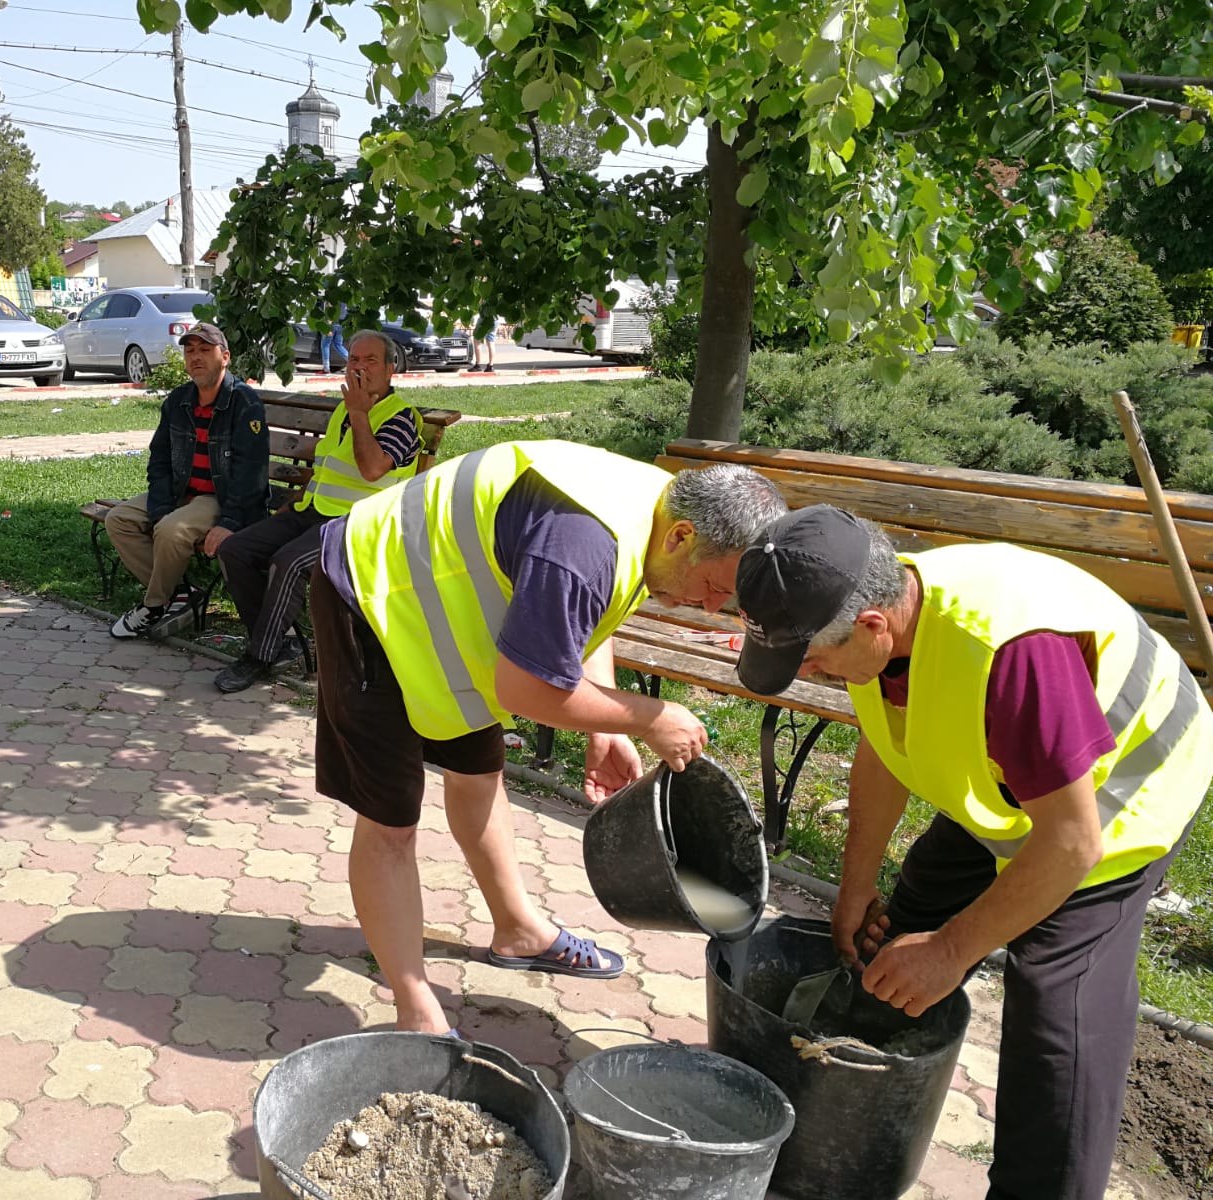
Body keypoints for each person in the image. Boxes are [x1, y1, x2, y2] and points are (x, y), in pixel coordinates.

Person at [731, 506, 1213, 1200]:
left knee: (1057, 1004)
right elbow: (884, 750)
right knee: (918, 900)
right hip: (1017, 775)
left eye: (813, 659)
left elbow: (1072, 841)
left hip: (1122, 793)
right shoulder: (883, 620)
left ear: (871, 626)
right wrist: (856, 884)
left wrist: (952, 952)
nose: (812, 673)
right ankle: (853, 1069)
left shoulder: (1012, 655)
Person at [312, 447, 788, 1033]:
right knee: (389, 822)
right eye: (715, 586)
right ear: (683, 537)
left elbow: (595, 610)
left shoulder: (655, 516)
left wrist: (602, 722)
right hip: (371, 592)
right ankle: (416, 1010)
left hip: (446, 607)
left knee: (479, 775)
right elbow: (524, 689)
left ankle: (517, 931)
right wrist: (649, 717)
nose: (714, 606)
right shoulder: (584, 542)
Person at [213, 330, 421, 693]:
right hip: (314, 510)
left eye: (369, 361)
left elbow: (373, 469)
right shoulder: (344, 409)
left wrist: (360, 414)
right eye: (354, 359)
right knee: (235, 549)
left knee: (289, 562)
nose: (359, 367)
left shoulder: (401, 418)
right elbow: (329, 470)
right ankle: (276, 643)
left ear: (390, 369)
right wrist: (297, 502)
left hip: (359, 524)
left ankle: (259, 657)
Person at [106, 322, 269, 639]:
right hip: (183, 492)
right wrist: (162, 504)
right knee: (119, 519)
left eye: (205, 350)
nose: (196, 357)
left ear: (225, 357)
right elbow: (160, 459)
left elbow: (251, 473)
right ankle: (181, 593)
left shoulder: (243, 403)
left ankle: (153, 606)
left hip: (219, 498)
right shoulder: (178, 401)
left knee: (170, 529)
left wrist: (230, 521)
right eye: (190, 350)